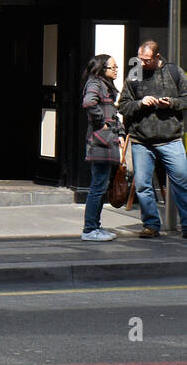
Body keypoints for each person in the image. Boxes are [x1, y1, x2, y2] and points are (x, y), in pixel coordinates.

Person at [116, 40, 187, 238]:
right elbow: (122, 106)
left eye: (146, 60)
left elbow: (186, 98)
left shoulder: (174, 72)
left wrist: (171, 103)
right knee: (143, 186)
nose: (142, 63)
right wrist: (140, 103)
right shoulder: (135, 74)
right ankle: (151, 225)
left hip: (170, 138)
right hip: (142, 140)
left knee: (182, 182)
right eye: (140, 59)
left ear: (157, 57)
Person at [80, 54, 122, 241]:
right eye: (113, 67)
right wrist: (101, 124)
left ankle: (95, 226)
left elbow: (112, 113)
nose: (116, 70)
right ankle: (89, 230)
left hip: (106, 140)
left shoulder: (104, 85)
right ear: (102, 69)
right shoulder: (95, 83)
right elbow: (89, 102)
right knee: (98, 186)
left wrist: (119, 132)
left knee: (101, 185)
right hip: (100, 141)